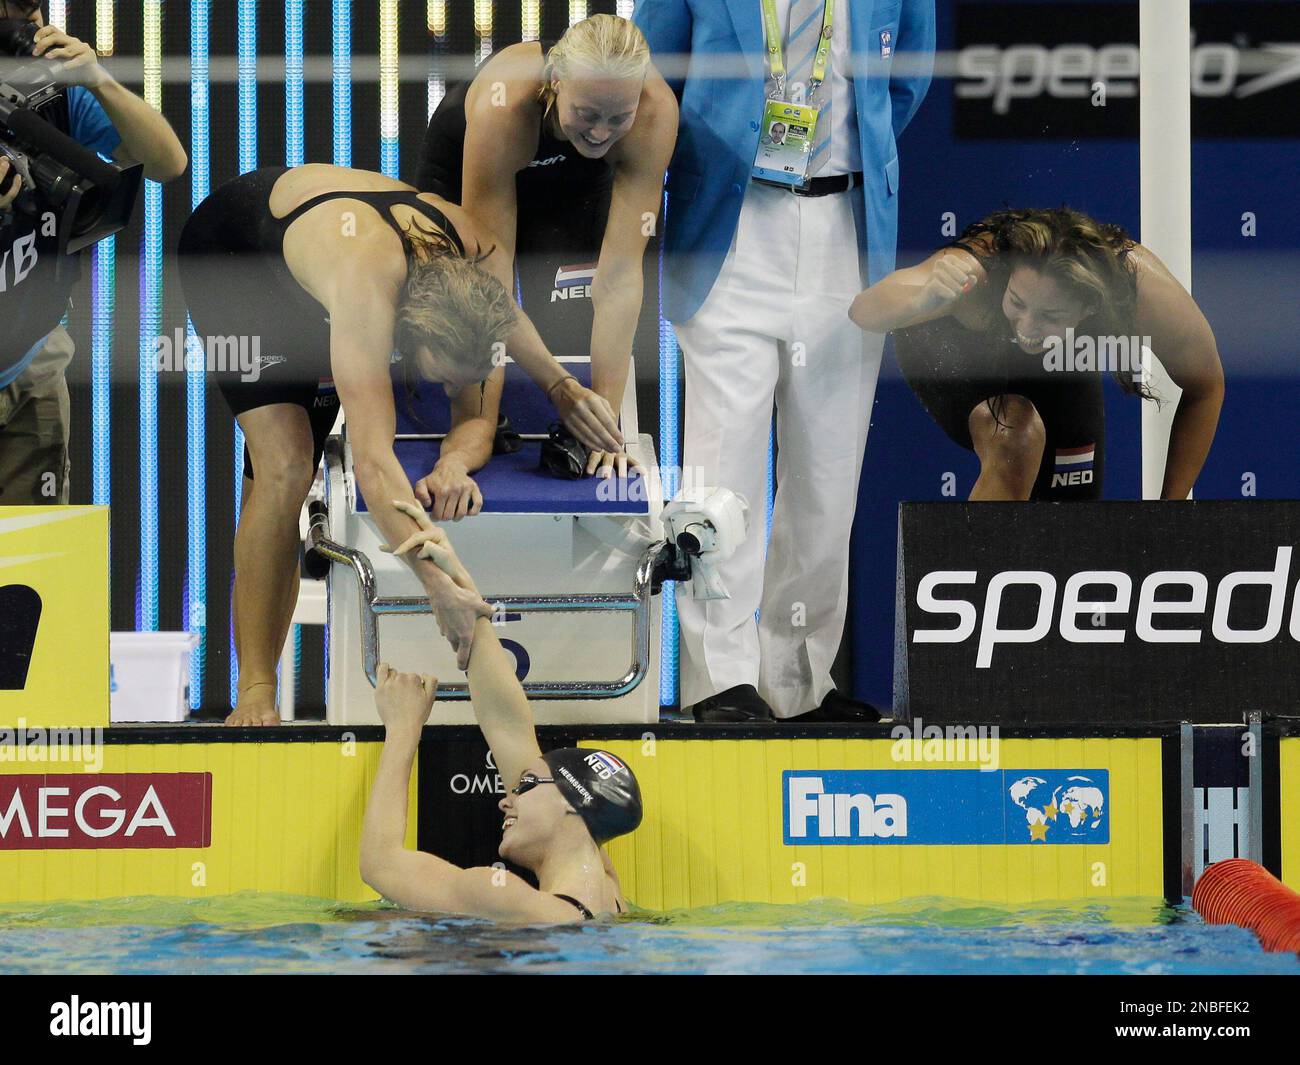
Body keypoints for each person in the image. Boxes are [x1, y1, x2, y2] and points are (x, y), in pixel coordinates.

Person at [635, 0, 935, 722]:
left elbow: (905, 82)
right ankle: (721, 680)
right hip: (733, 225)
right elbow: (652, 80)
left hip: (846, 225)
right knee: (723, 465)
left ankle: (799, 681)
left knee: (827, 480)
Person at [178, 163, 526, 726]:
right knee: (286, 467)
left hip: (325, 270)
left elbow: (479, 422)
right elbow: (372, 461)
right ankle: (256, 689)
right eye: (441, 377)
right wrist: (439, 589)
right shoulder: (369, 290)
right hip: (238, 255)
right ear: (409, 335)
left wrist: (454, 462)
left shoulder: (486, 266)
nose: (450, 392)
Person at [416, 13, 677, 494]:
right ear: (557, 83)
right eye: (588, 112)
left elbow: (619, 278)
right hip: (469, 161)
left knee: (570, 317)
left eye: (618, 116)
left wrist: (602, 419)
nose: (601, 132)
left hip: (572, 181)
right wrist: (556, 388)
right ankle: (474, 426)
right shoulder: (507, 104)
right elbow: (488, 284)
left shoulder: (655, 114)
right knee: (461, 314)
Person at [360, 500, 640, 922]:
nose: (506, 801)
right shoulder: (610, 899)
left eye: (525, 785)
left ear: (572, 804)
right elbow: (509, 728)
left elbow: (380, 864)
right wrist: (466, 596)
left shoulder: (507, 899)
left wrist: (402, 729)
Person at [849, 207, 1224, 500]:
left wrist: (1170, 511)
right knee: (1016, 435)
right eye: (1016, 301)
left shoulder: (1137, 288)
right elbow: (862, 311)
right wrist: (924, 296)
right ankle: (979, 590)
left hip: (1062, 358)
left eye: (1049, 315)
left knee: (1071, 515)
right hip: (955, 349)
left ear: (1089, 307)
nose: (1027, 325)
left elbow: (1205, 386)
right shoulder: (978, 272)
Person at [0, 0, 186, 502]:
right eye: (16, 20)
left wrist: (97, 80)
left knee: (34, 564)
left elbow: (167, 161)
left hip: (30, 354)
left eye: (35, 16)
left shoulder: (51, 96)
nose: (34, 32)